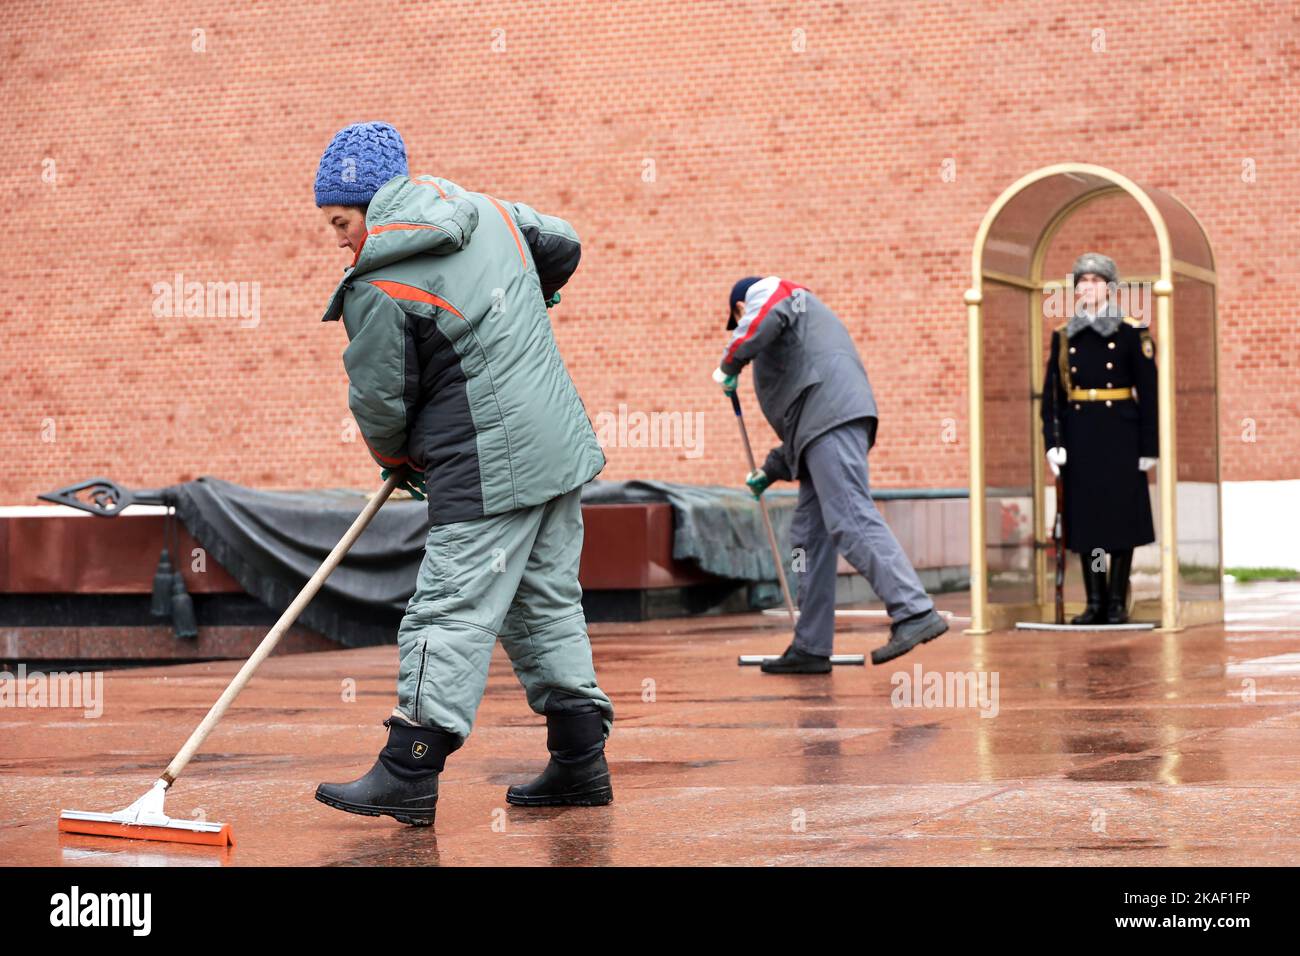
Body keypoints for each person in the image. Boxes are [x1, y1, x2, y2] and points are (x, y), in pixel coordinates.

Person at [310, 122, 613, 826]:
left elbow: (382, 400)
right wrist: (531, 293)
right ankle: (579, 762)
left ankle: (407, 770)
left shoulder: (377, 283)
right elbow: (562, 241)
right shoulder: (489, 211)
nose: (336, 239)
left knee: (448, 606)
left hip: (487, 459)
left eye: (339, 222)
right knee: (544, 603)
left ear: (372, 205)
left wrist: (396, 459)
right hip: (558, 445)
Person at [713, 276, 948, 673]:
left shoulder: (775, 292)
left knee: (851, 518)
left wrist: (730, 360)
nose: (742, 328)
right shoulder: (789, 343)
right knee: (809, 540)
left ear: (740, 309)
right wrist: (769, 471)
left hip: (831, 420)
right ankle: (811, 645)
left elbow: (767, 312)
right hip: (816, 430)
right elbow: (795, 421)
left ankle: (914, 610)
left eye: (739, 321)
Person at [1042, 252, 1158, 625]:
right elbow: (1053, 397)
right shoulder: (1063, 337)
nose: (1087, 288)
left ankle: (1116, 603)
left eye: (1094, 281)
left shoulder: (1131, 331)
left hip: (1120, 435)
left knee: (1121, 523)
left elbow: (1150, 394)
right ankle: (1094, 601)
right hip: (1081, 437)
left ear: (1109, 288)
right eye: (1082, 282)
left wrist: (1149, 446)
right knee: (1090, 525)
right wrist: (1053, 441)